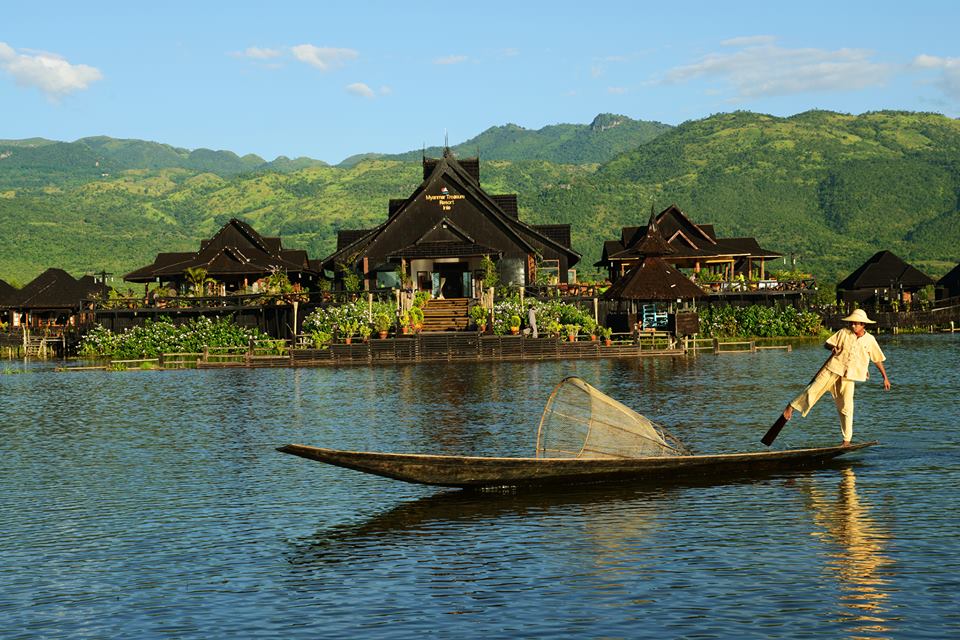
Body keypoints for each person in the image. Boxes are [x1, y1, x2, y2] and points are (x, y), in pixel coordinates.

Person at [781, 309, 891, 446]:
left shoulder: (870, 340)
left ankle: (846, 441)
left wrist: (884, 377)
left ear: (863, 324)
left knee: (847, 407)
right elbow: (827, 343)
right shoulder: (843, 333)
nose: (853, 326)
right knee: (813, 390)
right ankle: (791, 406)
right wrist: (832, 348)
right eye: (852, 323)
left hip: (849, 376)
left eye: (856, 324)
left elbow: (877, 359)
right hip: (832, 369)